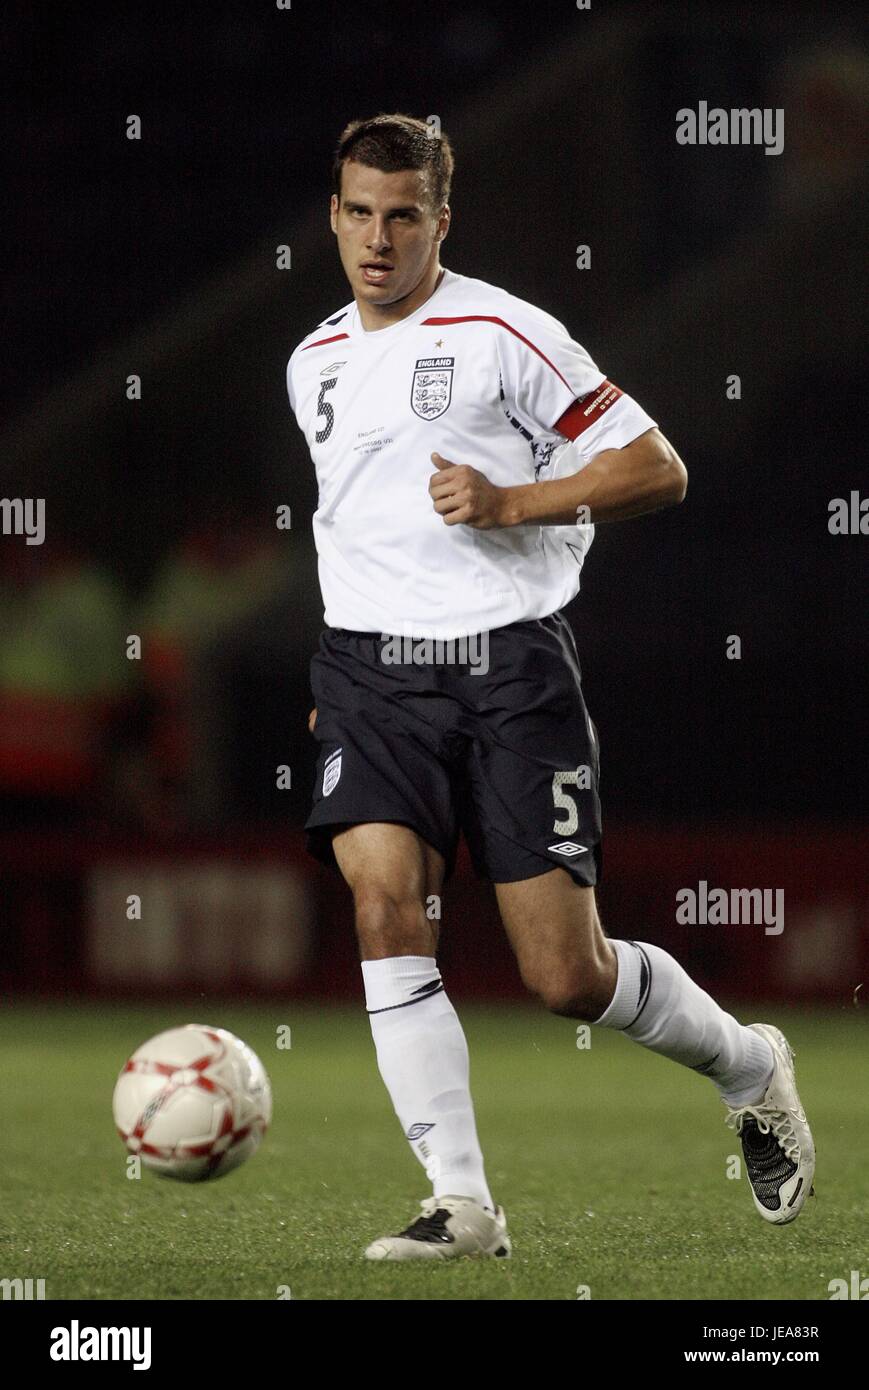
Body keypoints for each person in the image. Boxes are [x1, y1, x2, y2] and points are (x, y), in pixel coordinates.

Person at [285, 113, 814, 1260]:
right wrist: (339, 673)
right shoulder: (312, 359)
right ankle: (460, 1203)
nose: (379, 239)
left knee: (563, 977)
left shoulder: (503, 332)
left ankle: (746, 1063)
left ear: (439, 219)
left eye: (404, 215)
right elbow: (349, 522)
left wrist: (511, 502)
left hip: (507, 668)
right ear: (332, 217)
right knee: (384, 906)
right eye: (359, 214)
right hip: (371, 674)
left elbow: (653, 466)